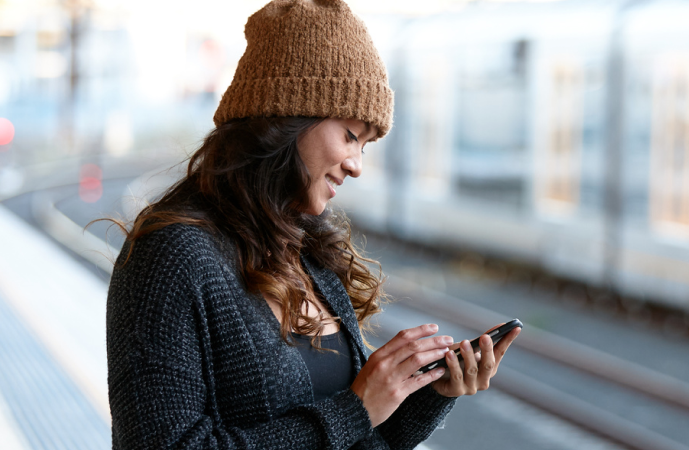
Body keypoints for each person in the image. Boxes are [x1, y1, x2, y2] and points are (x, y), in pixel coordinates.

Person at [103, 1, 521, 449]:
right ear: (287, 115)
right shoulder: (172, 257)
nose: (357, 165)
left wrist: (427, 395)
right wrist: (355, 409)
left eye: (367, 144)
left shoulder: (307, 253)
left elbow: (357, 440)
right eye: (350, 135)